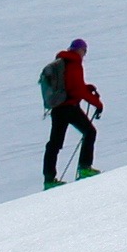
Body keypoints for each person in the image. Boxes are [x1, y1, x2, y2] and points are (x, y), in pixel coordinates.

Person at [39, 40, 101, 187]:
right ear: (79, 50)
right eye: (84, 50)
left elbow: (72, 86)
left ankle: (49, 179)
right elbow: (76, 90)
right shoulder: (74, 63)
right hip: (69, 107)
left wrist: (87, 88)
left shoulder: (63, 61)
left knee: (54, 143)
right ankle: (84, 168)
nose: (84, 54)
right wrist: (97, 103)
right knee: (90, 132)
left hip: (58, 108)